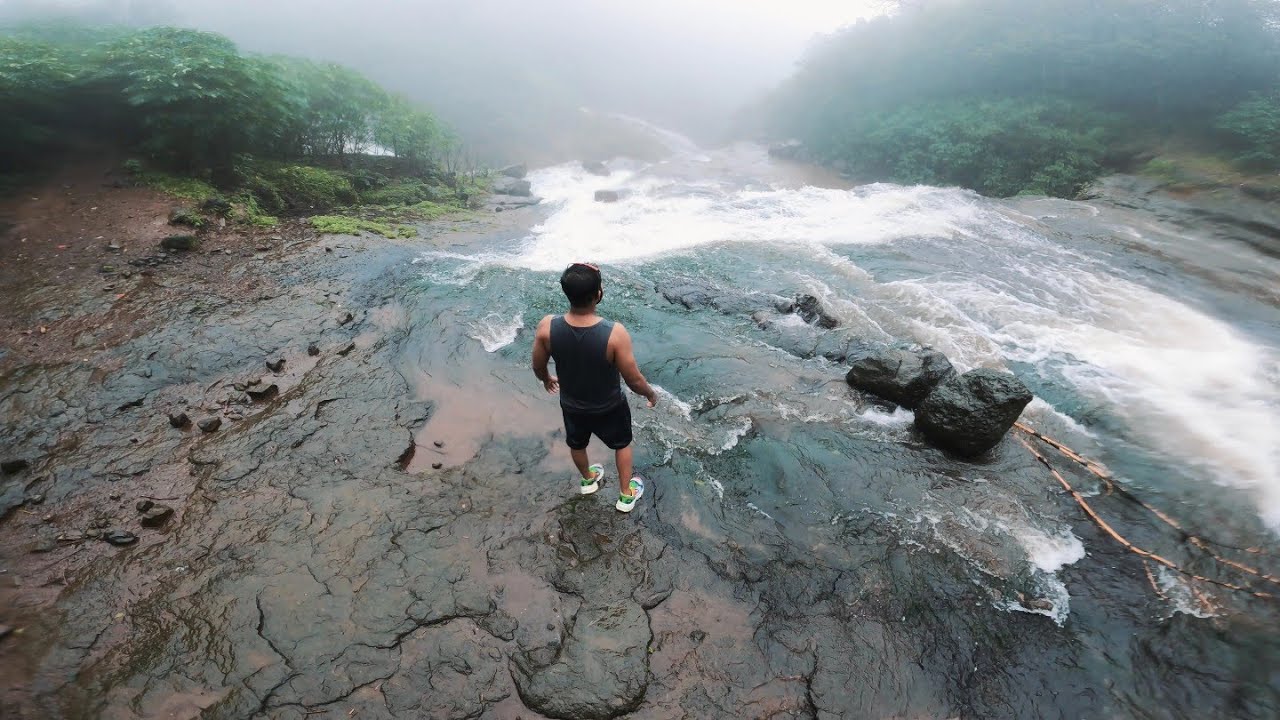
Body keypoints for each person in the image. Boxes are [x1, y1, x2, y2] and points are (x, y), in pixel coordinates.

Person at [532, 262, 657, 512]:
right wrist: (650, 393)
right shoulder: (614, 333)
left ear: (566, 293)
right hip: (609, 406)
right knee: (621, 445)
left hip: (572, 404)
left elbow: (537, 363)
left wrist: (546, 378)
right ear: (598, 295)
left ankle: (588, 480)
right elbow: (633, 379)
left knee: (577, 444)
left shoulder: (547, 326)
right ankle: (625, 495)